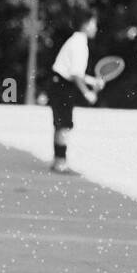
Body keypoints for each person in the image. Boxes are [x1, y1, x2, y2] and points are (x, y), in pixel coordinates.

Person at [49, 10, 103, 175]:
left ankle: (58, 160)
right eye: (94, 24)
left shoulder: (75, 41)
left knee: (61, 125)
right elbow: (75, 75)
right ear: (86, 25)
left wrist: (93, 81)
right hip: (62, 86)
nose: (96, 28)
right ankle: (60, 163)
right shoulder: (80, 45)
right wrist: (88, 93)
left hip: (58, 83)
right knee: (64, 125)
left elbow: (76, 72)